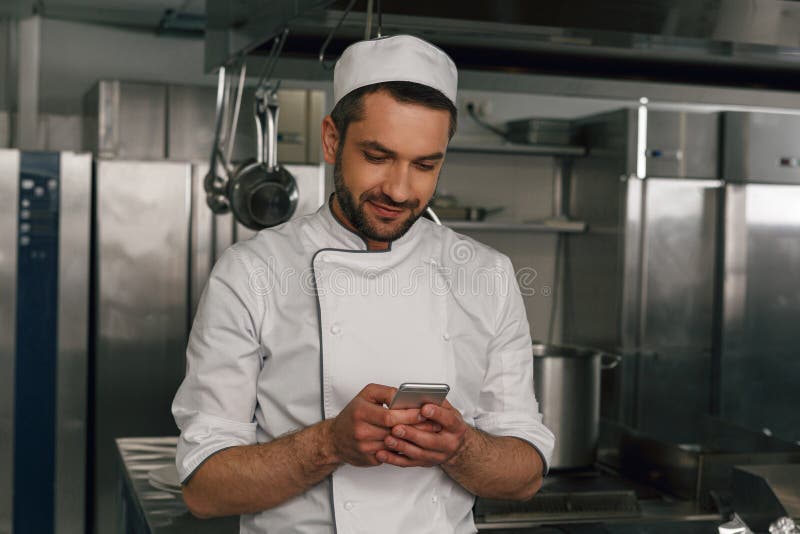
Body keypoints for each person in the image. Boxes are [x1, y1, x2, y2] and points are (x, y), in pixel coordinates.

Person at [172, 34, 555, 533]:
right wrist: (329, 444)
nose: (399, 189)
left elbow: (524, 474)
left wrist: (461, 448)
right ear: (332, 139)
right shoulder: (251, 274)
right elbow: (204, 489)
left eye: (425, 165)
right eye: (378, 156)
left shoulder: (485, 274)